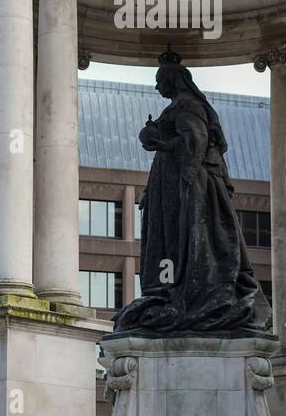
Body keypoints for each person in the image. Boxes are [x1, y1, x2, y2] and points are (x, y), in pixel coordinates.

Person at [111, 55, 262, 336]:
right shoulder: (179, 107)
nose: (157, 88)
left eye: (159, 81)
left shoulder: (188, 106)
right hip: (171, 185)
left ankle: (188, 291)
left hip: (187, 185)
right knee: (171, 239)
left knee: (188, 238)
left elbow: (195, 141)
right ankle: (171, 289)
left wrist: (164, 145)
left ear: (171, 80)